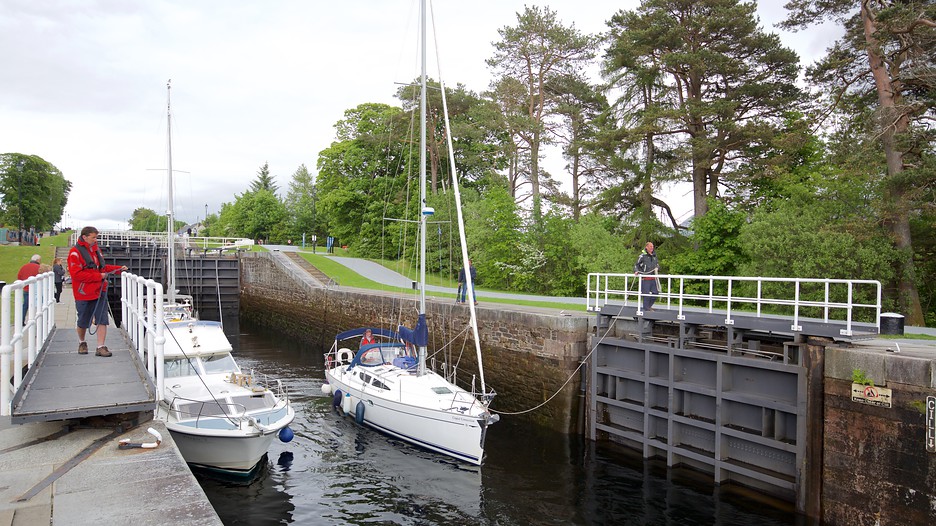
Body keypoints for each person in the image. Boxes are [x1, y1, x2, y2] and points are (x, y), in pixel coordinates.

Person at [68, 226, 127, 357]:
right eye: (93, 237)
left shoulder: (96, 251)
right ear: (85, 237)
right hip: (83, 293)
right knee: (83, 320)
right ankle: (82, 342)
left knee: (102, 319)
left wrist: (118, 269)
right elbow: (76, 275)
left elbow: (103, 268)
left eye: (96, 237)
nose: (96, 240)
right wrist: (98, 277)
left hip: (99, 290)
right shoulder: (74, 253)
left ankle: (101, 346)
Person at [634, 241, 660, 311]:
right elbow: (636, 264)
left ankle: (648, 306)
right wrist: (636, 271)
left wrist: (657, 268)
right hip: (645, 278)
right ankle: (646, 309)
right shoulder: (642, 256)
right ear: (646, 247)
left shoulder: (654, 256)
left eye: (652, 246)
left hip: (653, 278)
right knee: (646, 294)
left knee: (656, 292)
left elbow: (657, 264)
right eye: (650, 246)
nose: (652, 248)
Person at [16, 254, 42, 322]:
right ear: (38, 260)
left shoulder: (24, 267)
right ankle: (37, 320)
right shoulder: (38, 267)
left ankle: (21, 320)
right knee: (38, 305)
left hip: (26, 289)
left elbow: (19, 276)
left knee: (25, 305)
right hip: (35, 289)